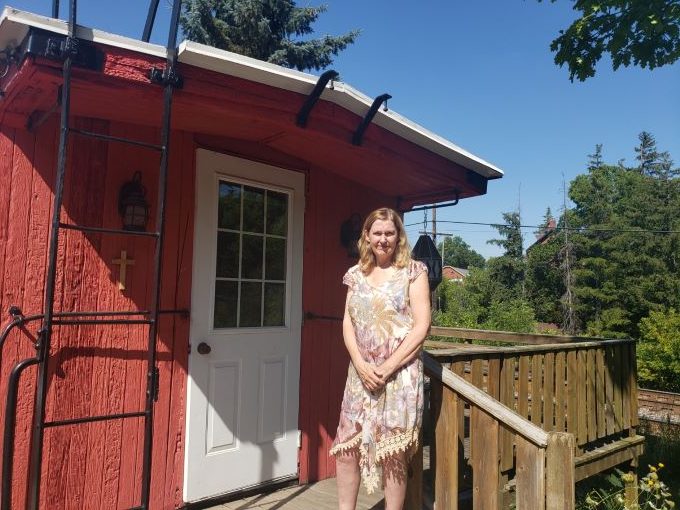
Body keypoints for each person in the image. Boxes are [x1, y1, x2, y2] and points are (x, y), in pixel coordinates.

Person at [330, 207, 431, 510]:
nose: (383, 239)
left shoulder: (413, 272)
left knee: (392, 455)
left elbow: (421, 326)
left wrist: (386, 368)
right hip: (360, 375)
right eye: (377, 233)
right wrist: (360, 364)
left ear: (398, 236)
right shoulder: (356, 274)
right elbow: (347, 322)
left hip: (398, 375)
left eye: (389, 233)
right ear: (367, 236)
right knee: (346, 449)